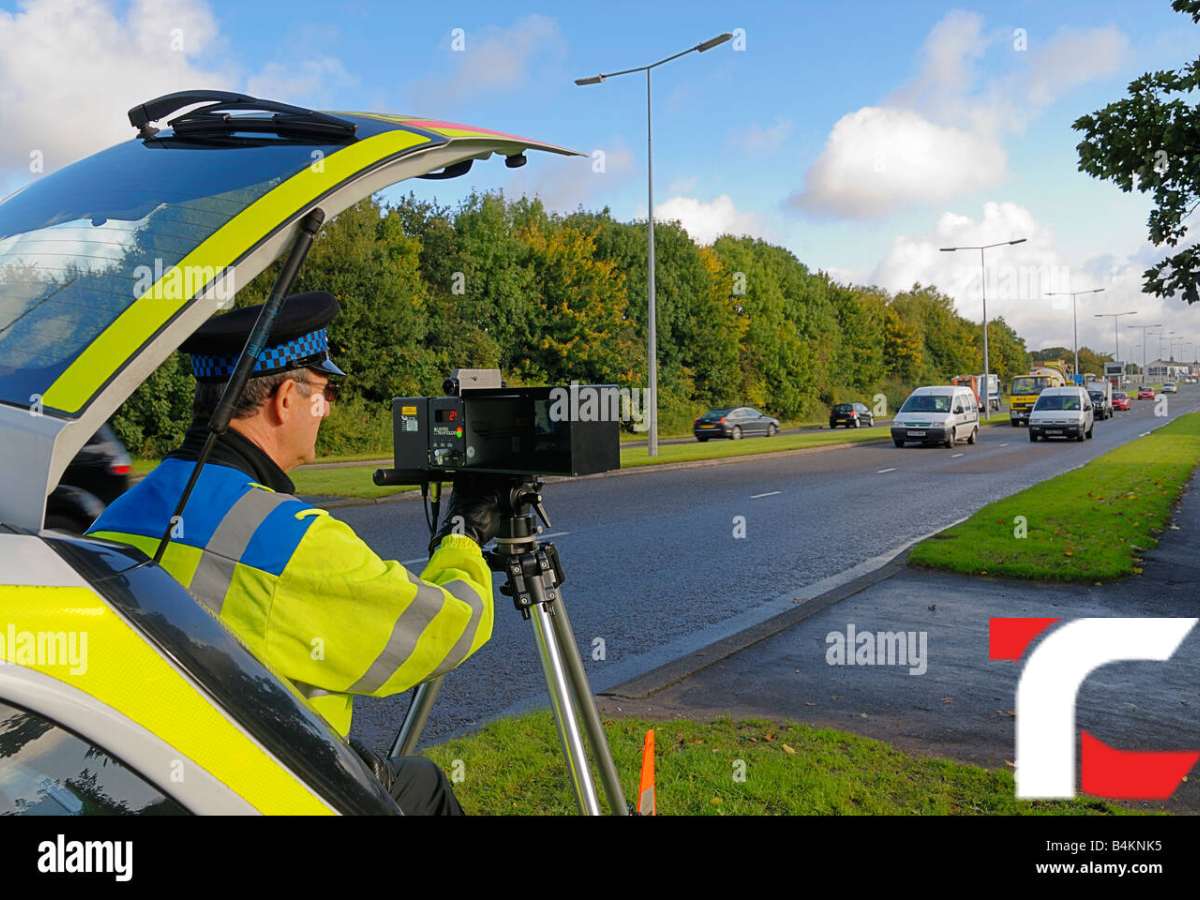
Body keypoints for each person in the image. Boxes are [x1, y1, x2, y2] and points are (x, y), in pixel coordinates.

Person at [88, 292, 502, 815]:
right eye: (324, 391)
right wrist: (462, 532)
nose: (326, 408)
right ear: (286, 399)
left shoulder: (118, 512)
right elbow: (446, 627)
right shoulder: (294, 541)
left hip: (152, 785)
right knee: (426, 788)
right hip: (266, 790)